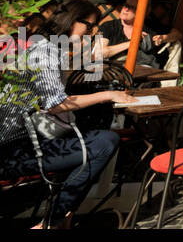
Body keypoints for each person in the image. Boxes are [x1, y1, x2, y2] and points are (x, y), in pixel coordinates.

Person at [0, 15, 133, 228]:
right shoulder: (45, 51)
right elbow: (56, 104)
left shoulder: (42, 46)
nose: (91, 32)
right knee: (103, 143)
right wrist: (108, 95)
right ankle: (53, 221)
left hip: (22, 142)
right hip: (13, 152)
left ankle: (57, 215)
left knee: (95, 139)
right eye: (88, 25)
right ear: (71, 22)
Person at [95, 0, 183, 85]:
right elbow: (99, 53)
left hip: (144, 77)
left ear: (145, 12)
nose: (125, 9)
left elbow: (178, 34)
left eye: (132, 7)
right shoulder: (108, 26)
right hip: (116, 75)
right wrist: (133, 42)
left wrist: (164, 38)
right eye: (126, 5)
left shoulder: (151, 26)